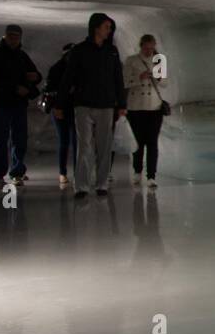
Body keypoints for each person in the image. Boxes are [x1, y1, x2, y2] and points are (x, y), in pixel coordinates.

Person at [55, 13, 127, 199]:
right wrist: (60, 104)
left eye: (110, 28)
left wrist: (121, 103)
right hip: (83, 105)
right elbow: (68, 78)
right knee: (84, 145)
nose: (108, 31)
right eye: (106, 27)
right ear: (96, 28)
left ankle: (102, 183)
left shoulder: (111, 51)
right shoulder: (79, 50)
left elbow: (118, 78)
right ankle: (82, 186)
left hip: (105, 105)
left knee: (104, 146)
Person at [0, 23, 41, 189]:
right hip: (1, 103)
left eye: (16, 36)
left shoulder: (22, 56)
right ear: (5, 36)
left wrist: (35, 77)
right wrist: (14, 88)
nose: (14, 39)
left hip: (18, 104)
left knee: (19, 138)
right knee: (1, 139)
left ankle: (16, 171)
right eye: (11, 36)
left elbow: (36, 74)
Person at [124, 34, 168, 188]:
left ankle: (151, 176)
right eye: (146, 48)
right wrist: (139, 78)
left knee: (152, 142)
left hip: (154, 107)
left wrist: (157, 77)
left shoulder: (159, 60)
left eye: (152, 48)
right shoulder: (131, 60)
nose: (149, 51)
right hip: (135, 106)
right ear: (141, 46)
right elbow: (124, 81)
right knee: (138, 142)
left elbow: (165, 83)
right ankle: (137, 171)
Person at [42, 42, 76, 189]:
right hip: (60, 108)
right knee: (64, 140)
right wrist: (56, 107)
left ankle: (77, 171)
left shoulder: (79, 69)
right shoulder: (56, 69)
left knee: (77, 140)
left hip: (76, 109)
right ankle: (62, 172)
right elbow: (50, 90)